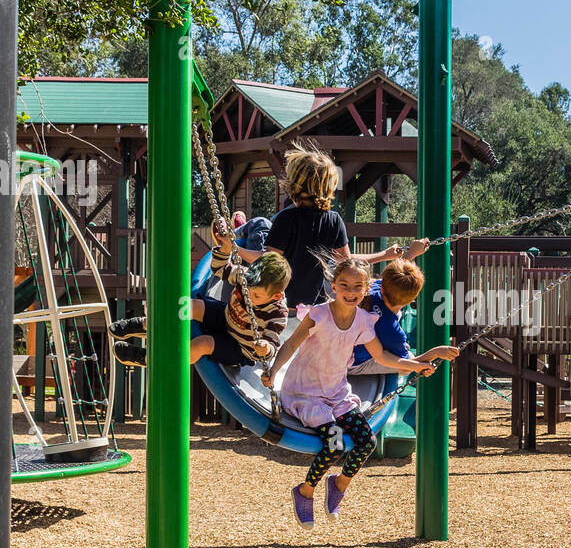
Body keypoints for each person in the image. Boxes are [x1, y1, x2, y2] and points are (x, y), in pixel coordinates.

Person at [262, 257, 436, 527]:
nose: (351, 292)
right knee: (335, 445)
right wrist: (273, 371)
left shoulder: (365, 322)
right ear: (333, 286)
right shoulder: (318, 315)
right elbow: (292, 344)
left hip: (336, 392)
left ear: (367, 289)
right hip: (306, 393)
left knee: (366, 442)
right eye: (344, 285)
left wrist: (417, 366)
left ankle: (339, 484)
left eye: (357, 287)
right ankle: (305, 491)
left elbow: (384, 358)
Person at [233, 143, 423, 309]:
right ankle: (243, 227)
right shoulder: (334, 220)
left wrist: (234, 248)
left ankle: (239, 230)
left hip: (279, 300)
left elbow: (266, 262)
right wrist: (384, 255)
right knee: (261, 226)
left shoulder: (287, 219)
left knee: (260, 225)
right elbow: (346, 262)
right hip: (310, 304)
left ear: (294, 186)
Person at [112, 240, 291, 370]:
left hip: (241, 347)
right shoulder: (246, 277)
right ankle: (146, 325)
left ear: (275, 295)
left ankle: (150, 359)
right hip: (227, 317)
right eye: (247, 289)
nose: (249, 295)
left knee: (203, 343)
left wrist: (265, 347)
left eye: (257, 295)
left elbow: (272, 342)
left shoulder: (277, 313)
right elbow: (220, 268)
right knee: (188, 306)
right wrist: (226, 248)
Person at [348, 256, 459, 375]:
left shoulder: (374, 288)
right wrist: (435, 353)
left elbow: (390, 279)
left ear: (383, 288)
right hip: (352, 364)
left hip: (342, 347)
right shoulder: (392, 332)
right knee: (406, 362)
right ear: (410, 301)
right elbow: (407, 365)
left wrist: (412, 252)